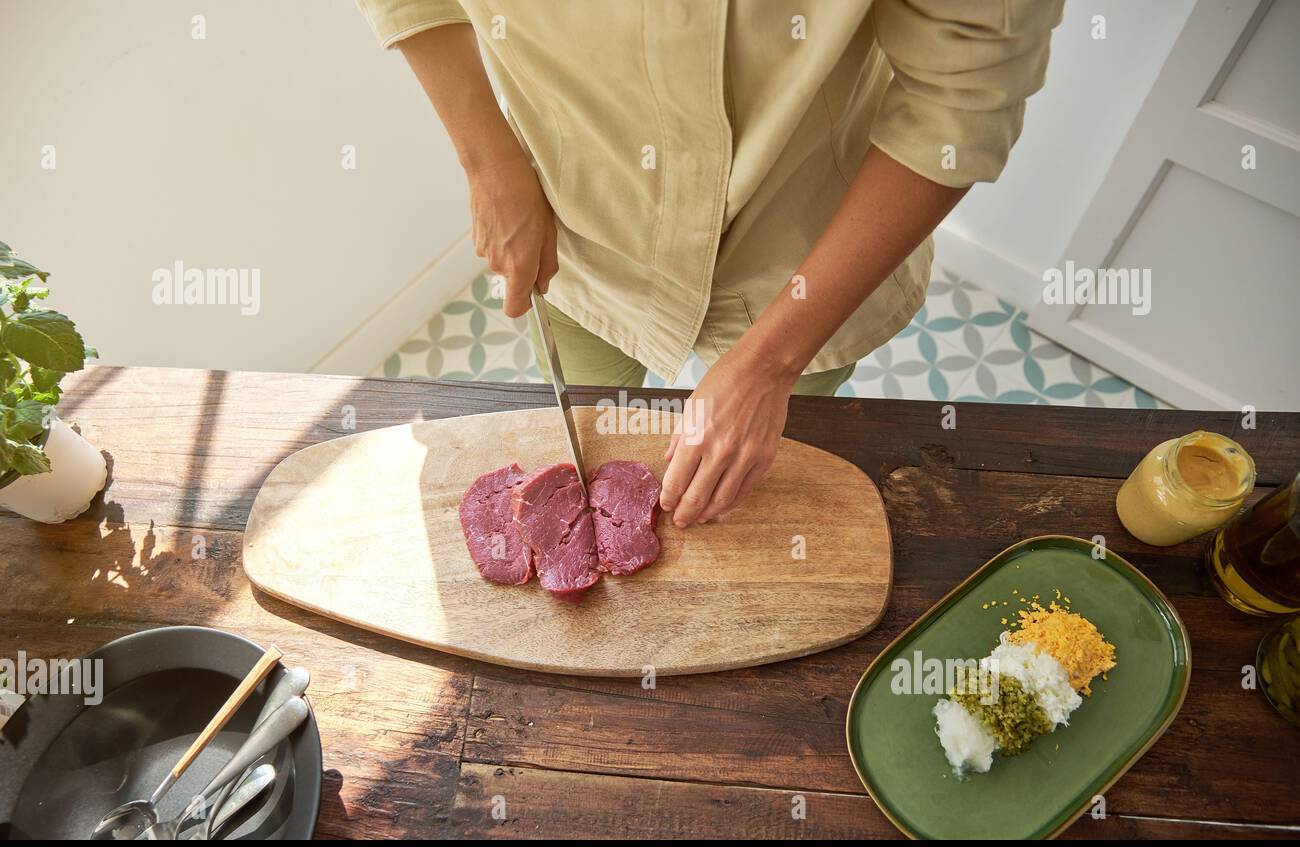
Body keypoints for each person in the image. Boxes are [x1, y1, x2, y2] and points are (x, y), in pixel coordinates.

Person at [357, 0, 1062, 527]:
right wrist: (489, 162)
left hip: (803, 249)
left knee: (763, 495)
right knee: (586, 436)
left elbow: (965, 91)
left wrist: (772, 364)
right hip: (573, 226)